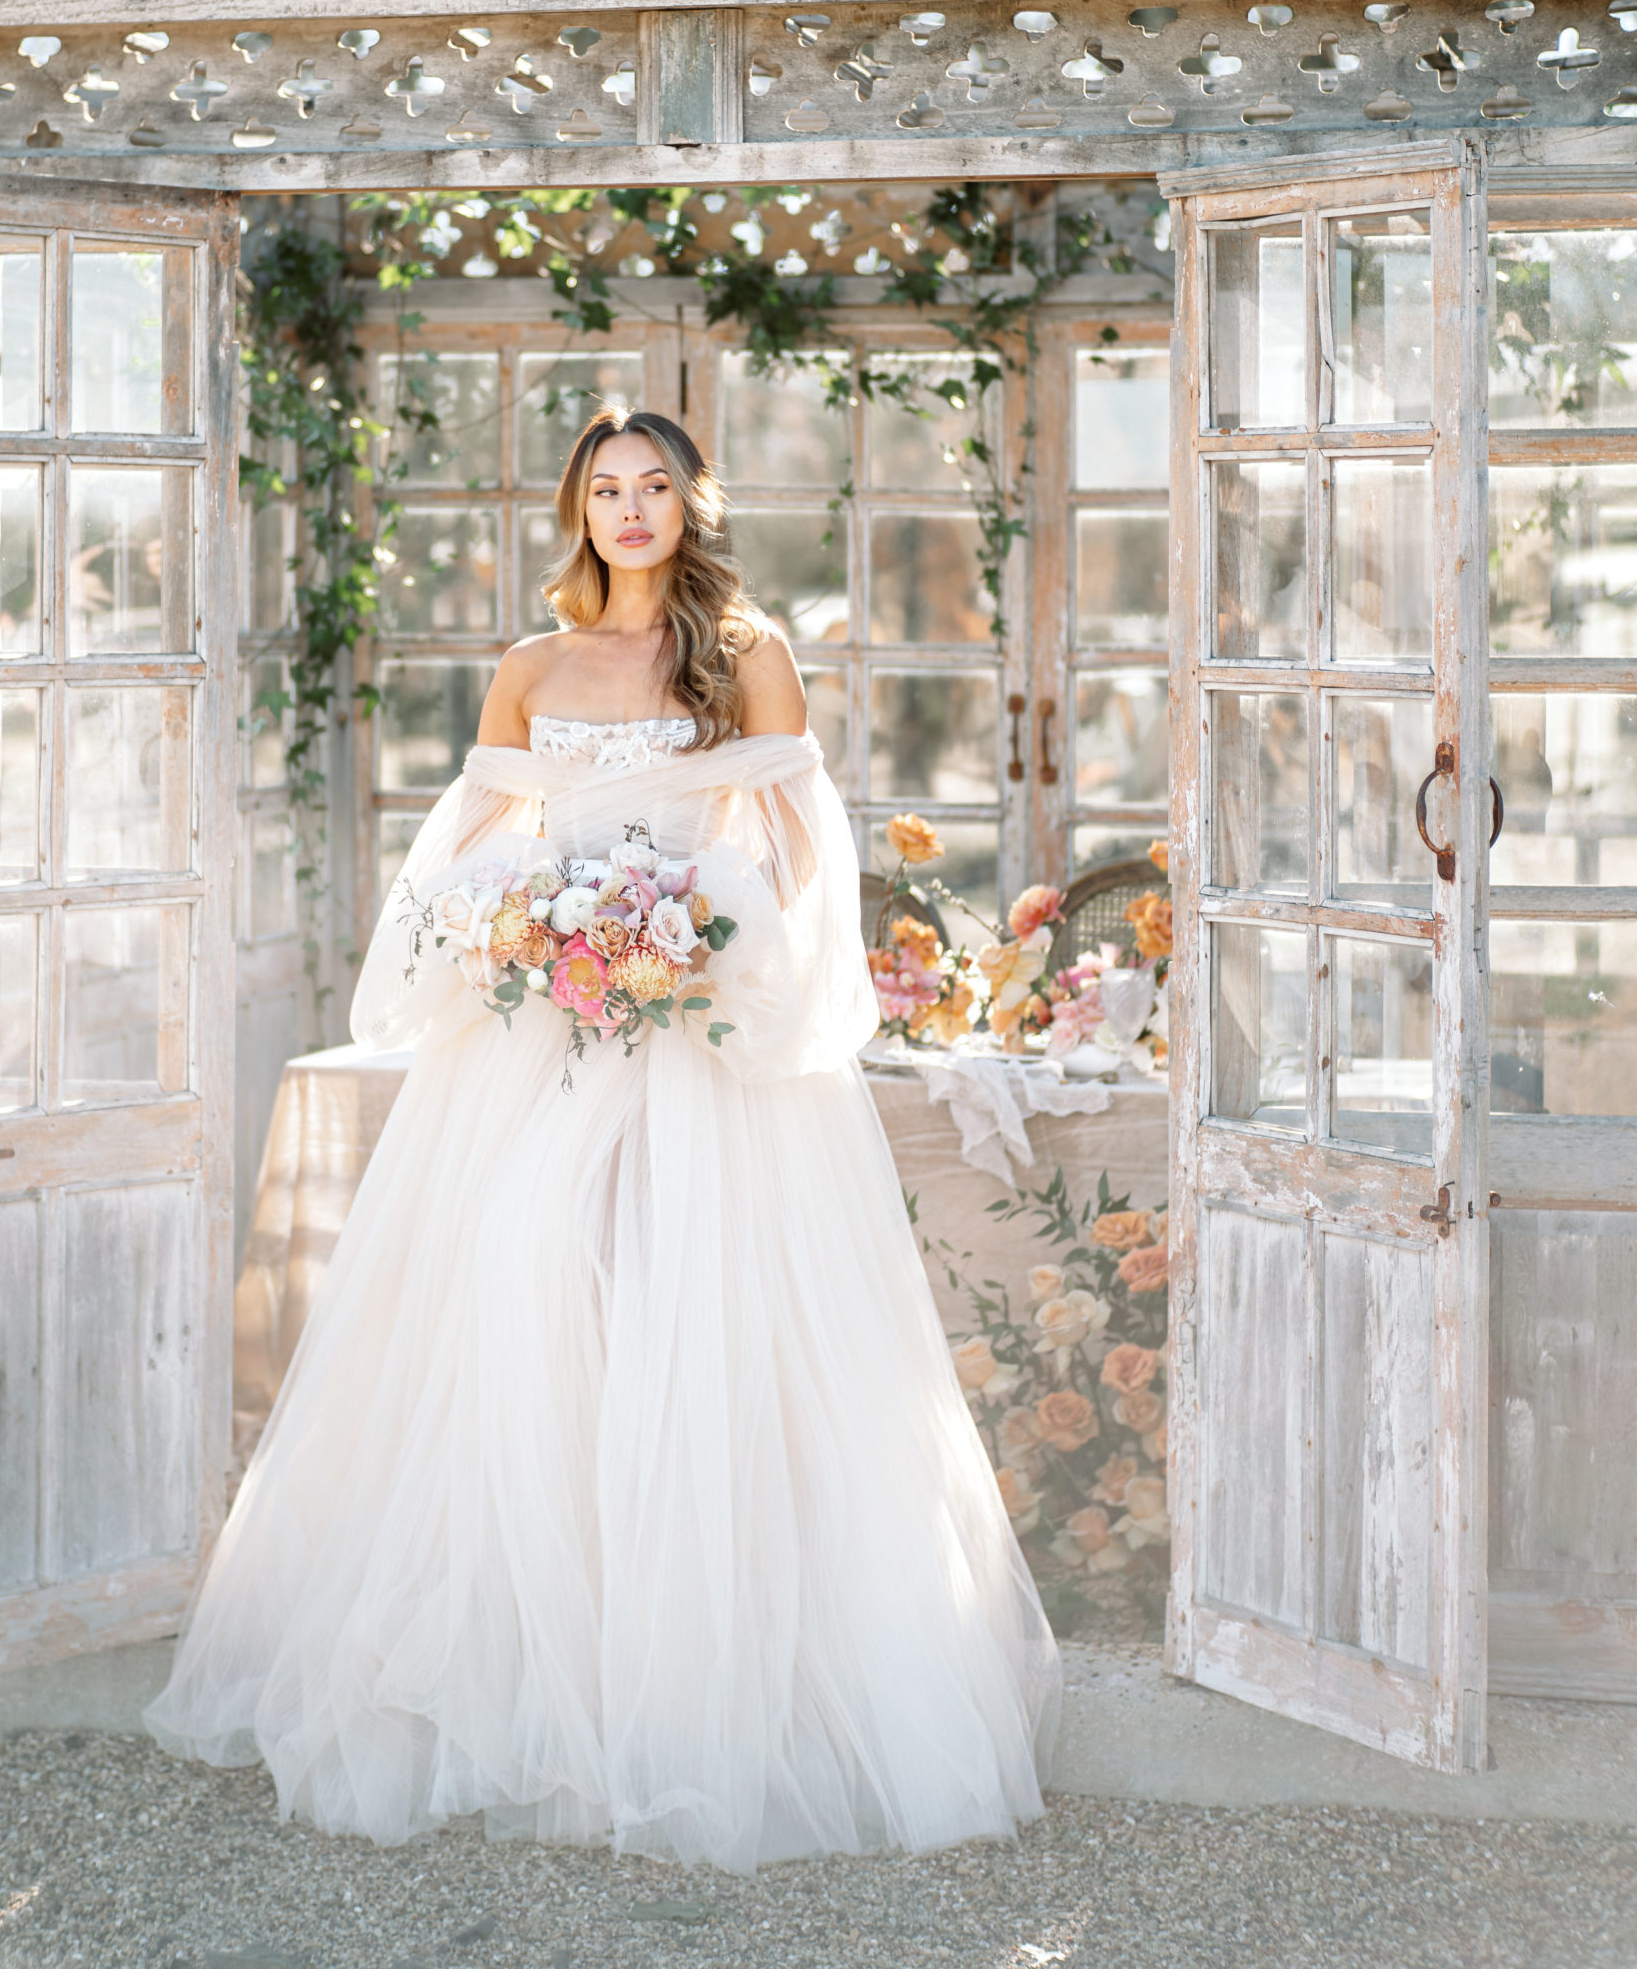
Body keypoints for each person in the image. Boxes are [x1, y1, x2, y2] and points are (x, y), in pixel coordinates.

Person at [145, 405, 1059, 1869]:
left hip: (695, 1039)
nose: (629, 510)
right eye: (605, 488)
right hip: (544, 1039)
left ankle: (695, 1677)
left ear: (694, 505)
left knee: (695, 1322)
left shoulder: (745, 654)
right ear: (577, 507)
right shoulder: (528, 668)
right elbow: (474, 854)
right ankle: (525, 1665)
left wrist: (702, 943)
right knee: (526, 1312)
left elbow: (800, 852)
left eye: (654, 488)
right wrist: (518, 929)